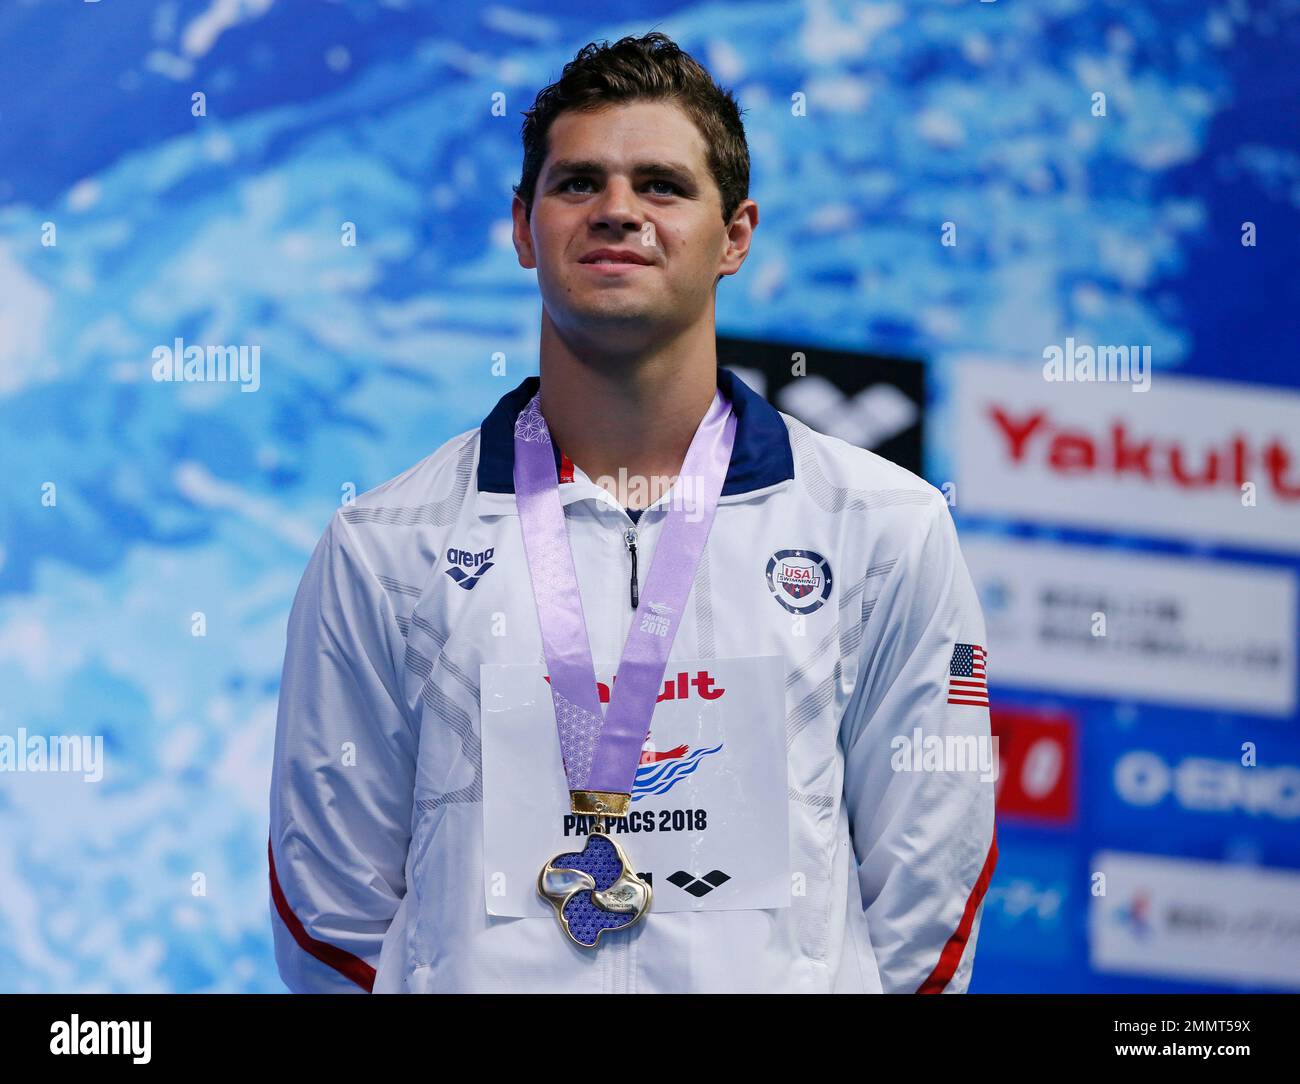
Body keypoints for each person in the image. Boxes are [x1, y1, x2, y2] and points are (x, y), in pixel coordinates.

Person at [268, 31, 998, 994]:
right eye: (578, 184)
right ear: (524, 228)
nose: (618, 211)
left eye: (661, 184)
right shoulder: (386, 547)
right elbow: (327, 911)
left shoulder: (882, 530)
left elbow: (931, 893)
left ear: (734, 235)